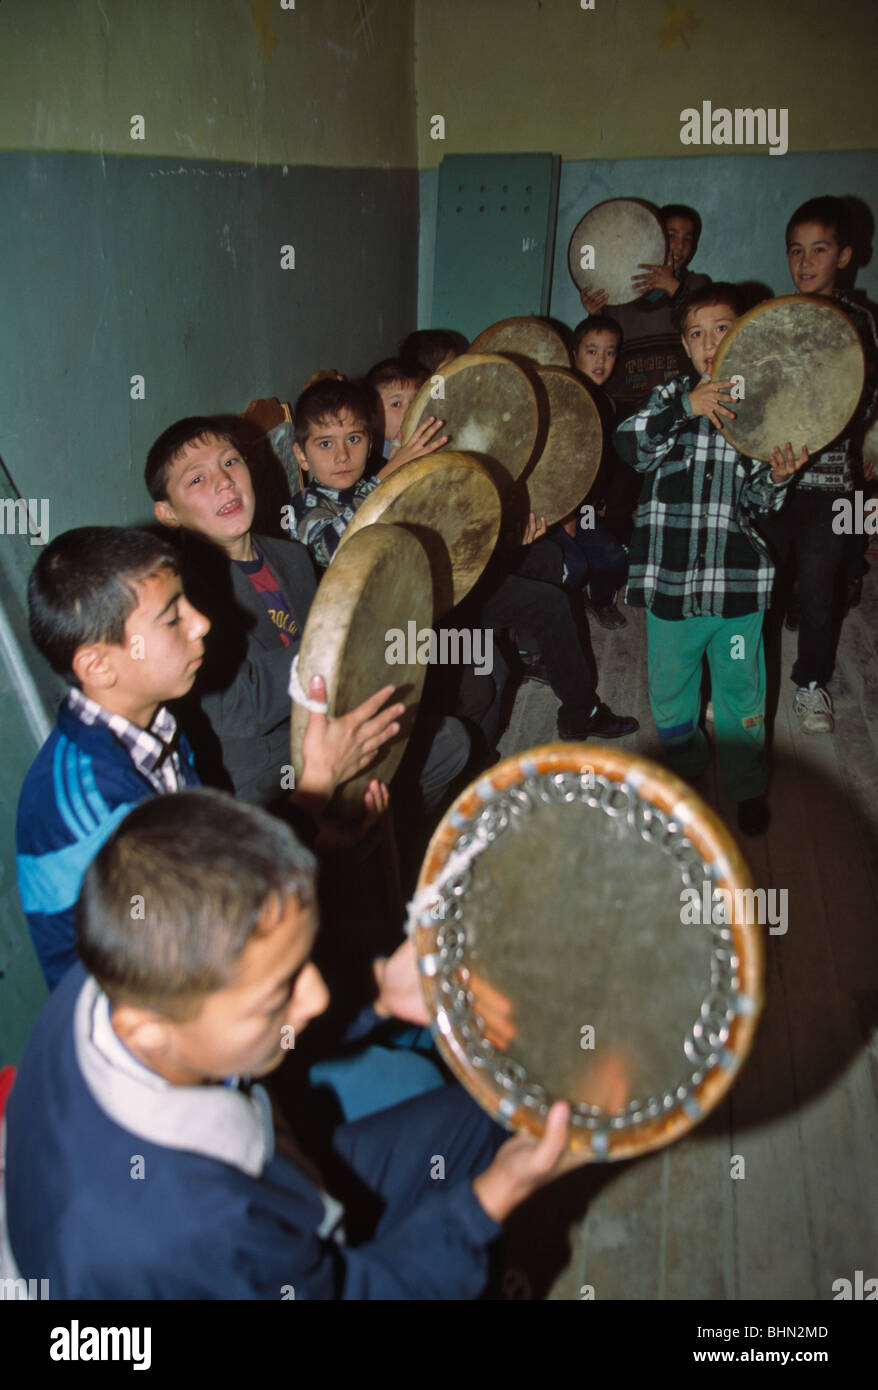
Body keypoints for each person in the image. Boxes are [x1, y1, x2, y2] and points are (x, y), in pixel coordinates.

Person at [2, 789, 583, 1299]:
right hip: (241, 1256)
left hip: (269, 1171)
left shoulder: (122, 967)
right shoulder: (194, 1230)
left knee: (476, 1120)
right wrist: (493, 1199)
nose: (318, 997)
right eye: (279, 991)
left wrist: (378, 990)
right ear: (146, 1028)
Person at [146, 415, 467, 815]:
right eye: (196, 479)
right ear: (168, 513)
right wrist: (342, 639)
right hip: (262, 770)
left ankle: (396, 844)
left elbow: (339, 648)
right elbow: (240, 706)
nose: (224, 482)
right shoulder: (180, 596)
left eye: (230, 462)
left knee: (453, 726)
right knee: (432, 748)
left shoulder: (290, 557)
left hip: (325, 718)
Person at [615, 283, 810, 836]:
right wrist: (683, 406)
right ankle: (689, 771)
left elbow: (757, 501)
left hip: (736, 584)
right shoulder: (668, 394)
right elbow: (630, 448)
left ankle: (747, 785)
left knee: (741, 692)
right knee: (671, 695)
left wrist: (776, 477)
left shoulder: (761, 407)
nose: (708, 343)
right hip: (670, 585)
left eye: (721, 329)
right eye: (696, 333)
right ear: (683, 343)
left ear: (742, 335)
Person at [758, 196, 878, 734]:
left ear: (846, 256)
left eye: (820, 250)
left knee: (819, 583)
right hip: (775, 477)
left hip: (833, 480)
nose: (805, 262)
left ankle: (810, 683)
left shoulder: (863, 322)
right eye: (796, 251)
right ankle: (746, 683)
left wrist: (860, 443)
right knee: (760, 580)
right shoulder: (776, 321)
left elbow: (868, 396)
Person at [581, 203, 711, 420]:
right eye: (672, 235)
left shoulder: (698, 286)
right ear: (653, 236)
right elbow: (603, 345)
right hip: (626, 409)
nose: (679, 246)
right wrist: (595, 314)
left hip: (679, 409)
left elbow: (706, 327)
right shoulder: (618, 289)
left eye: (687, 239)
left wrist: (673, 287)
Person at [555, 314, 631, 627]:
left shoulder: (607, 404)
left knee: (615, 557)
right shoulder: (561, 397)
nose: (601, 360)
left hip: (584, 509)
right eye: (592, 351)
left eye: (610, 352)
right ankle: (551, 622)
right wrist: (566, 516)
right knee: (568, 570)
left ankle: (597, 600)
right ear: (574, 354)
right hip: (550, 512)